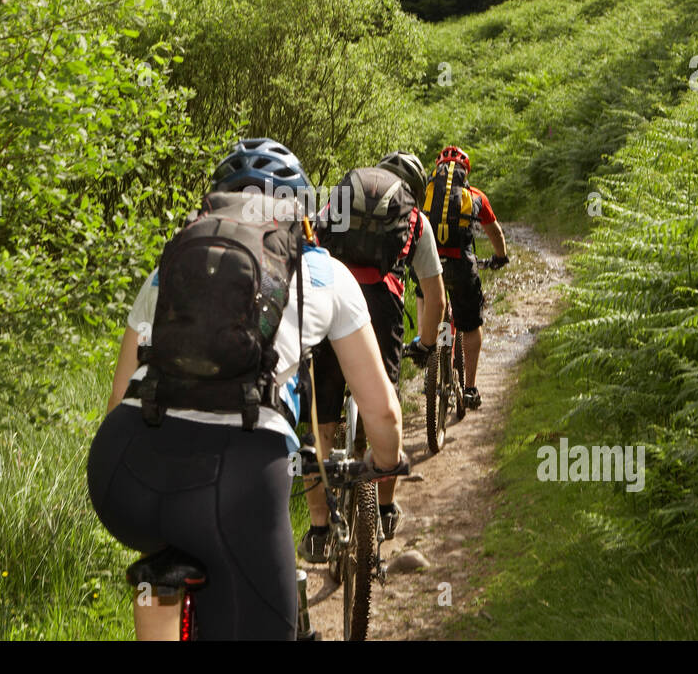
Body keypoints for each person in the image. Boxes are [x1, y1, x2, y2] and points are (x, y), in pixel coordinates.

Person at [86, 138, 406, 640]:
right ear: (298, 209)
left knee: (162, 564)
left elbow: (117, 400)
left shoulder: (166, 272)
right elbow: (382, 413)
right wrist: (386, 463)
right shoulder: (324, 273)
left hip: (121, 477)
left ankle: (162, 597)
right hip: (237, 483)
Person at [299, 151, 446, 562]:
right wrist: (428, 344)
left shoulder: (339, 199)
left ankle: (317, 530)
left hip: (330, 299)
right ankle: (382, 511)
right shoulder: (417, 220)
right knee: (383, 406)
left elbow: (310, 243)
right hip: (379, 311)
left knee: (319, 421)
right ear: (412, 189)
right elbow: (433, 296)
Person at [412, 145, 508, 410]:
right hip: (462, 266)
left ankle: (429, 353)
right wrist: (500, 257)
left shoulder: (425, 194)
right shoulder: (474, 196)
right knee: (470, 325)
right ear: (466, 172)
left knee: (426, 297)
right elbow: (495, 233)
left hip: (429, 266)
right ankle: (470, 389)